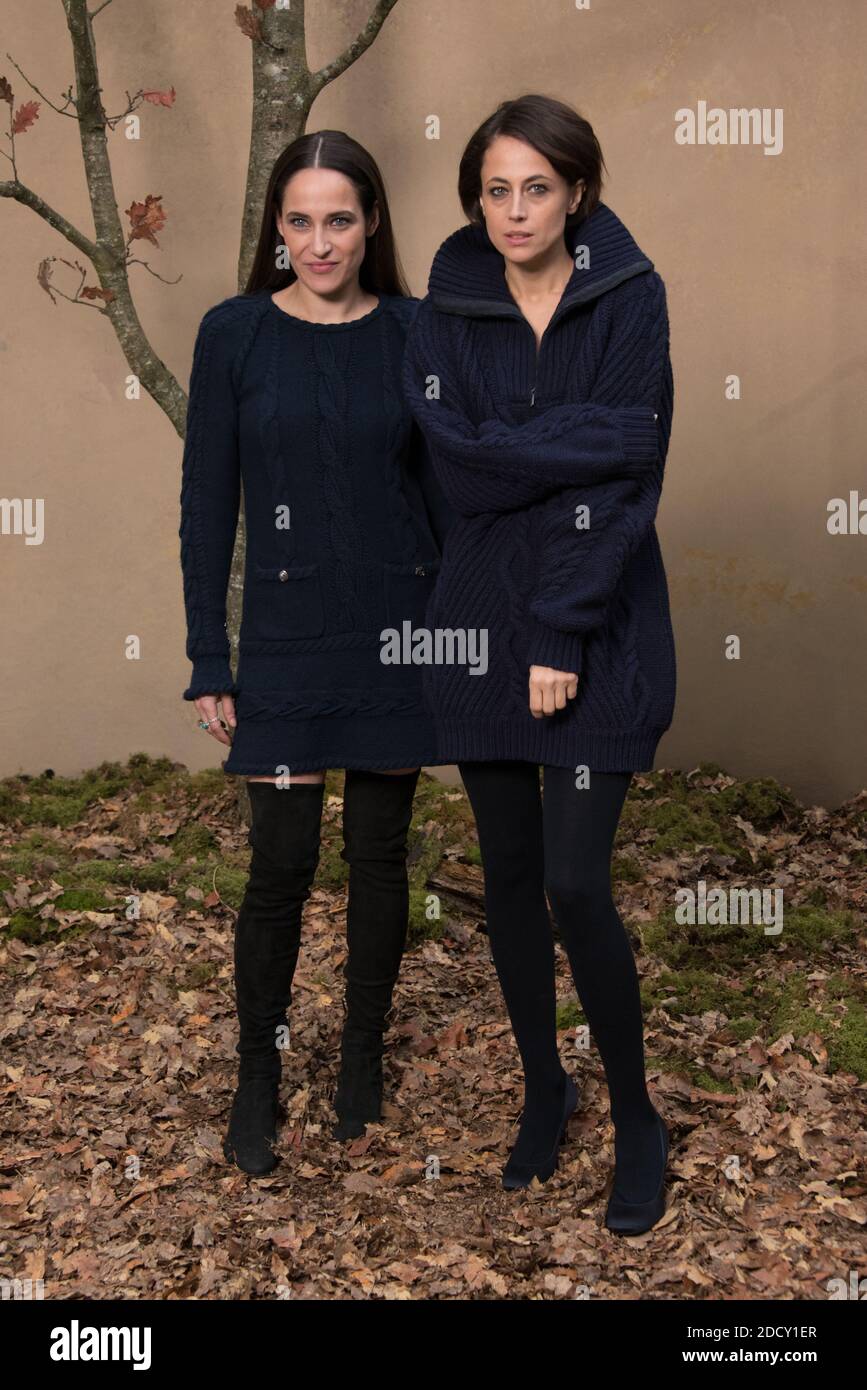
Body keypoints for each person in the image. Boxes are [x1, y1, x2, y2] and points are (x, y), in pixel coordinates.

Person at [402, 94, 676, 1234]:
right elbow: (457, 469)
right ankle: (542, 1088)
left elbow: (632, 469)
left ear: (579, 194)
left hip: (596, 630)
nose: (516, 210)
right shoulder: (442, 306)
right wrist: (576, 440)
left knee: (574, 881)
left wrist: (561, 632)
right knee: (510, 880)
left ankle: (639, 1117)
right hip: (474, 627)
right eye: (497, 188)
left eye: (539, 189)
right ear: (478, 195)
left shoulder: (630, 295)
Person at [178, 130, 452, 1175]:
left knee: (379, 857)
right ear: (276, 230)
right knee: (281, 864)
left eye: (341, 217)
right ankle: (259, 1076)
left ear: (372, 222)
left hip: (400, 630)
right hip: (285, 642)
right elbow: (210, 502)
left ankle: (360, 1066)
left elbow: (440, 494)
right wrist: (212, 654)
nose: (321, 239)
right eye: (300, 220)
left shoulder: (414, 330)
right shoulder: (235, 333)